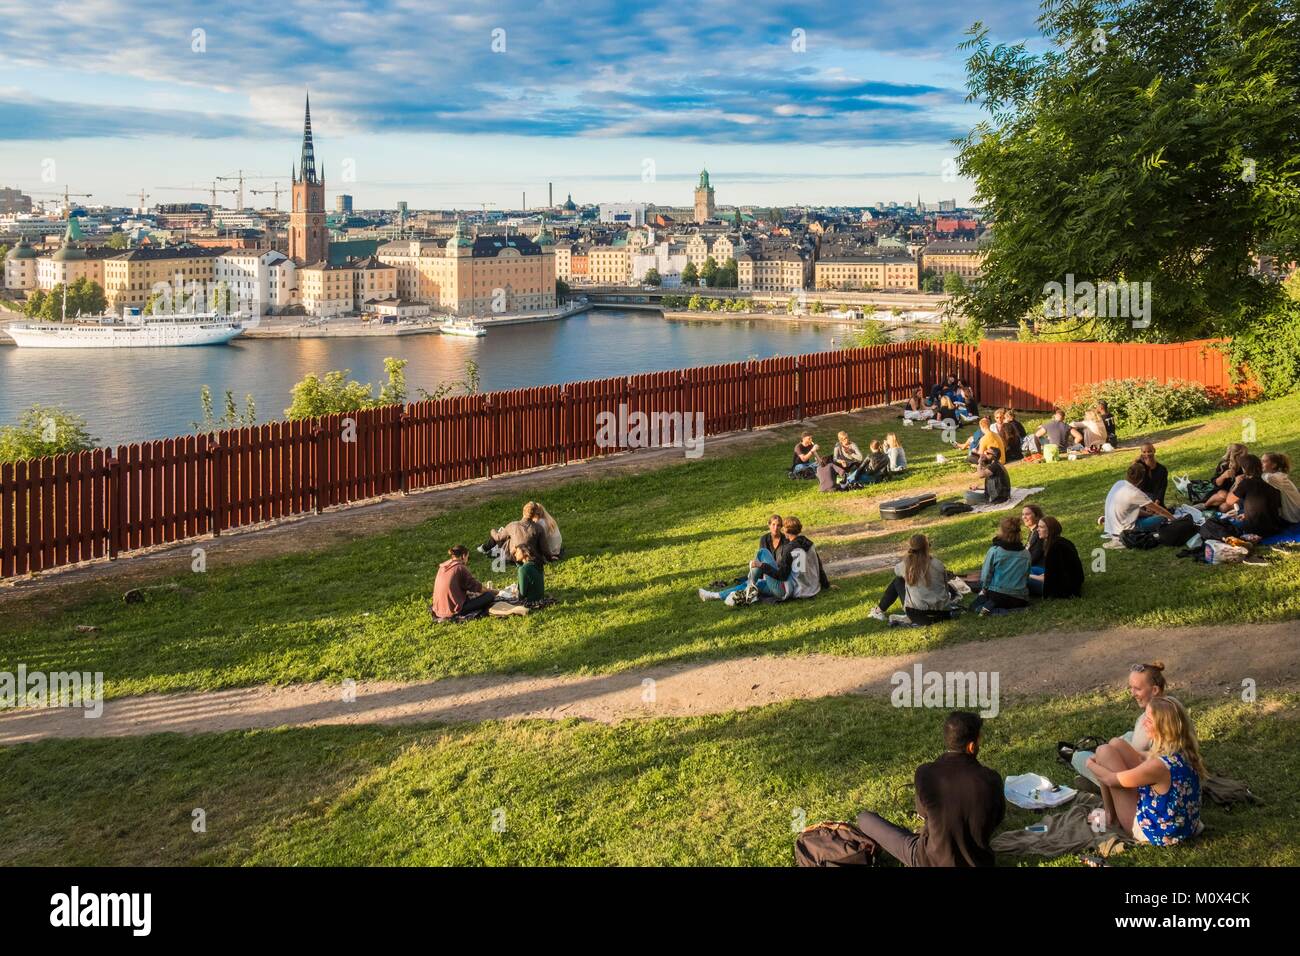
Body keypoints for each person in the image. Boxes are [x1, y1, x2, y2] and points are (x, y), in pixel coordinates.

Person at [854, 711, 1004, 867]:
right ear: (972, 746)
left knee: (864, 818)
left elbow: (922, 813)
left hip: (928, 860)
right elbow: (997, 819)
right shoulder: (992, 779)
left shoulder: (925, 773)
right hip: (978, 862)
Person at [1087, 696, 1203, 845]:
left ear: (1163, 727)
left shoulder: (1158, 767)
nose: (1143, 723)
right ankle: (1111, 813)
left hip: (1155, 832)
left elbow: (1110, 779)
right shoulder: (1183, 752)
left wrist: (1090, 763)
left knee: (1103, 751)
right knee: (1117, 743)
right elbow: (1146, 757)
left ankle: (1110, 816)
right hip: (1182, 825)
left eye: (1148, 720)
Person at [1064, 662, 1167, 785]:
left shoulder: (1152, 719)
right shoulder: (1173, 707)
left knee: (1079, 757)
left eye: (1138, 689)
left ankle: (1099, 785)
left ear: (1155, 690)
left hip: (1139, 778)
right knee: (1127, 737)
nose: (1132, 693)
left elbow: (1149, 759)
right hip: (1150, 765)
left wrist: (1105, 758)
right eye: (1131, 687)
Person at [868, 533, 956, 625]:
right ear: (927, 547)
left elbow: (897, 571)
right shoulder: (938, 564)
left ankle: (878, 610)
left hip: (918, 615)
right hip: (943, 611)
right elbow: (945, 585)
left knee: (898, 581)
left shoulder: (906, 566)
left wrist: (908, 561)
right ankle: (879, 610)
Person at [699, 516, 783, 601]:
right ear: (769, 525)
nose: (775, 528)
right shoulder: (764, 539)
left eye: (778, 525)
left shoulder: (785, 541)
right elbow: (761, 561)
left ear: (781, 527)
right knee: (747, 585)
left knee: (761, 553)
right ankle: (714, 595)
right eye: (773, 524)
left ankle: (749, 583)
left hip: (776, 578)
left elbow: (781, 566)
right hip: (766, 575)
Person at [971, 516, 1031, 613]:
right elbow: (1026, 576)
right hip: (1020, 598)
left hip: (997, 595)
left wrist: (983, 591)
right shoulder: (1026, 553)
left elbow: (986, 575)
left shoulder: (995, 551)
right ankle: (1016, 609)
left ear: (1002, 531)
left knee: (975, 607)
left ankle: (993, 609)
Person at [1103, 461, 1174, 537]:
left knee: (1153, 517)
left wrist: (1149, 515)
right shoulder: (1135, 493)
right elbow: (1159, 510)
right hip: (1125, 530)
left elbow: (1131, 510)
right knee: (1162, 518)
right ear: (1142, 479)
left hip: (1111, 527)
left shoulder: (1119, 483)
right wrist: (1174, 519)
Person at [1221, 454, 1284, 537]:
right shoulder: (1268, 479)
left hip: (1254, 530)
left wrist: (1237, 483)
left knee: (1218, 522)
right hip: (1274, 527)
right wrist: (1247, 515)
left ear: (1244, 469)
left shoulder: (1246, 483)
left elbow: (1229, 501)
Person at [432, 545, 498, 619]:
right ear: (463, 556)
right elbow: (477, 587)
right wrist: (494, 592)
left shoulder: (443, 566)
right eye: (467, 557)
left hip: (438, 608)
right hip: (453, 610)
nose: (467, 560)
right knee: (489, 595)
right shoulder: (460, 568)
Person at [1028, 516, 1083, 598]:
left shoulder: (1055, 548)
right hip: (1069, 581)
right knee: (1031, 569)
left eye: (1041, 527)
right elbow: (1053, 571)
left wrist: (1027, 576)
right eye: (1038, 526)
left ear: (1050, 530)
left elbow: (1050, 579)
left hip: (1062, 589)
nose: (1037, 529)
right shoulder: (1061, 541)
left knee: (1021, 578)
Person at [480, 503, 547, 562]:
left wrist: (492, 531)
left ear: (523, 512)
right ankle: (491, 551)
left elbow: (498, 537)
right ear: (534, 515)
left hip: (514, 557)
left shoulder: (512, 525)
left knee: (506, 537)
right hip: (531, 557)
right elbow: (544, 548)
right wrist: (550, 556)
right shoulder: (539, 528)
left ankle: (488, 550)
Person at [1201, 443, 1248, 508]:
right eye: (1243, 456)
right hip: (1222, 491)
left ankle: (1219, 506)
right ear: (1234, 456)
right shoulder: (1223, 465)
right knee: (1223, 496)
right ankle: (1205, 505)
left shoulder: (1245, 465)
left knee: (1223, 507)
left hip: (1236, 492)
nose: (1245, 457)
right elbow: (1214, 483)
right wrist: (1223, 476)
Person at [1262, 452, 1300, 524]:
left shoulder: (1276, 477)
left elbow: (1267, 477)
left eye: (1264, 461)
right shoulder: (1276, 476)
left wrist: (1254, 470)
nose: (1260, 463)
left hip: (1293, 514)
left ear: (1273, 465)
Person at [1021, 503, 1046, 568]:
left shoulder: (1039, 533)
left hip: (1039, 569)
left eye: (1027, 514)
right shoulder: (1033, 531)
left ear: (1037, 516)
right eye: (1023, 514)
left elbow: (1034, 558)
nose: (1024, 517)